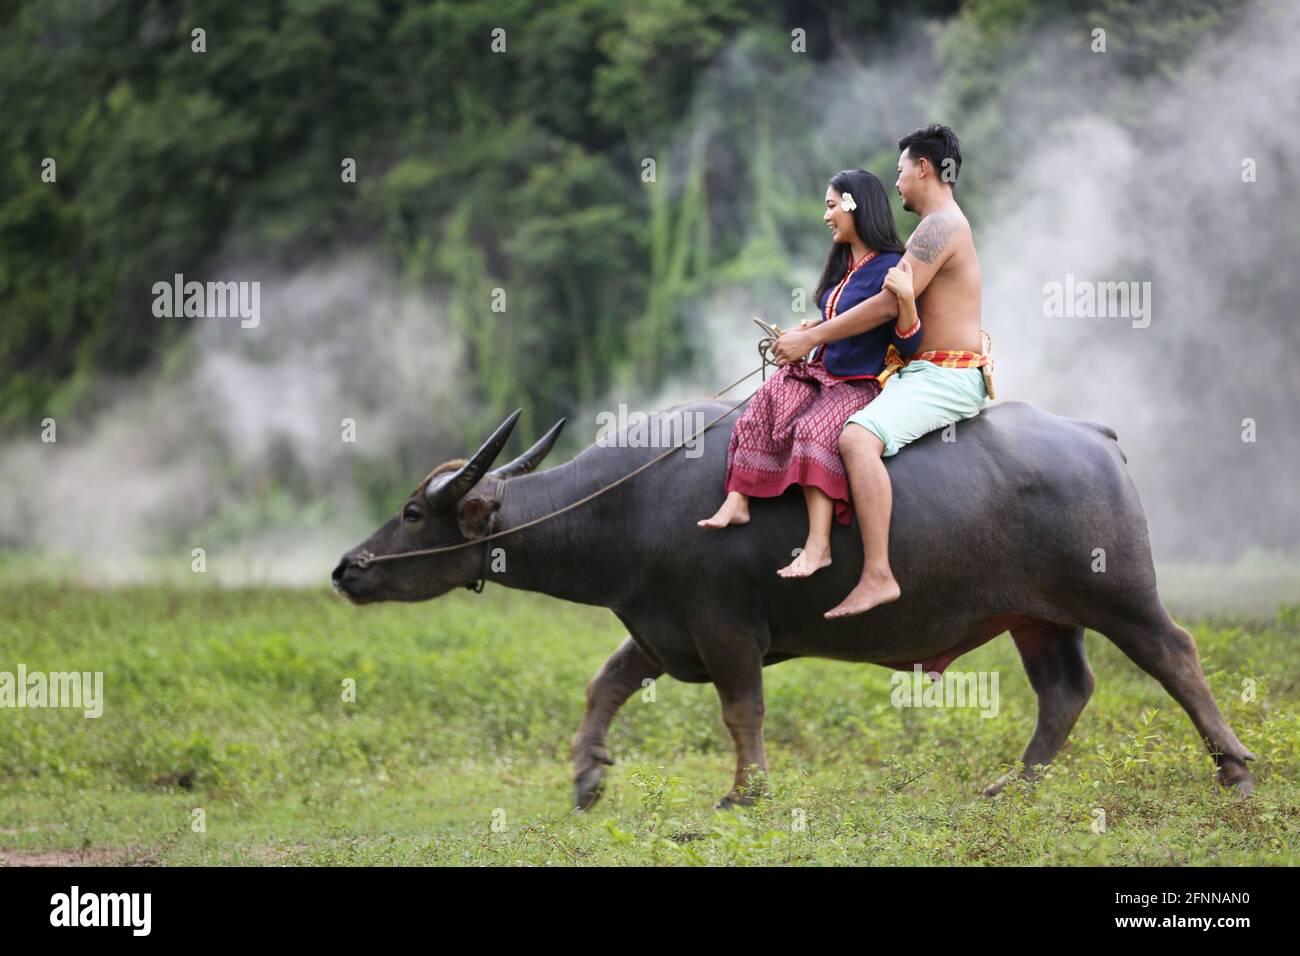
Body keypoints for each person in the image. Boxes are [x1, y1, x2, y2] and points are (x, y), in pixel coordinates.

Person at [770, 124, 989, 617]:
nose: (897, 184)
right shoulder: (933, 228)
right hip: (915, 370)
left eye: (901, 172)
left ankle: (878, 574)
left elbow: (888, 305)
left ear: (924, 169)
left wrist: (812, 338)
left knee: (855, 438)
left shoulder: (939, 226)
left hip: (943, 374)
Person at [699, 169, 924, 579]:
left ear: (855, 205)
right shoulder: (844, 268)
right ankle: (738, 499)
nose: (827, 215)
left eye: (832, 205)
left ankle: (818, 546)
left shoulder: (892, 267)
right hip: (824, 370)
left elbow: (906, 342)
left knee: (812, 430)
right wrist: (809, 333)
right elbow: (836, 325)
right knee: (768, 398)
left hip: (858, 384)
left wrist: (904, 305)